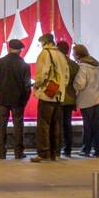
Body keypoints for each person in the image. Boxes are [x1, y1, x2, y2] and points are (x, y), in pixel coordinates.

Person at [0, 38, 31, 159]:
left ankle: (1, 152)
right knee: (18, 125)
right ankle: (18, 152)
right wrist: (24, 99)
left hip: (2, 99)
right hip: (18, 101)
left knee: (1, 125)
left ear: (9, 48)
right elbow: (27, 86)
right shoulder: (24, 65)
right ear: (20, 51)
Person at [30, 32, 69, 162]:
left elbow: (42, 74)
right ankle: (54, 153)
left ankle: (43, 153)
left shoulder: (45, 53)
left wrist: (36, 86)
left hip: (47, 95)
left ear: (44, 42)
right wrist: (60, 88)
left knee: (43, 125)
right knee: (56, 124)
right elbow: (66, 76)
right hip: (59, 95)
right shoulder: (61, 55)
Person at [72, 44, 99, 157]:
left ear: (78, 55)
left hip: (88, 101)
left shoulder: (83, 67)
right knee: (97, 125)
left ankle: (86, 149)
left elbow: (80, 84)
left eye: (74, 53)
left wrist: (73, 86)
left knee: (88, 126)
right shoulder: (98, 66)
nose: (73, 55)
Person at [56, 39, 79, 157]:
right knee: (67, 124)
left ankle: (57, 149)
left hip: (58, 98)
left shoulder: (56, 63)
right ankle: (68, 149)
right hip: (70, 98)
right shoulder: (74, 65)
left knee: (57, 124)